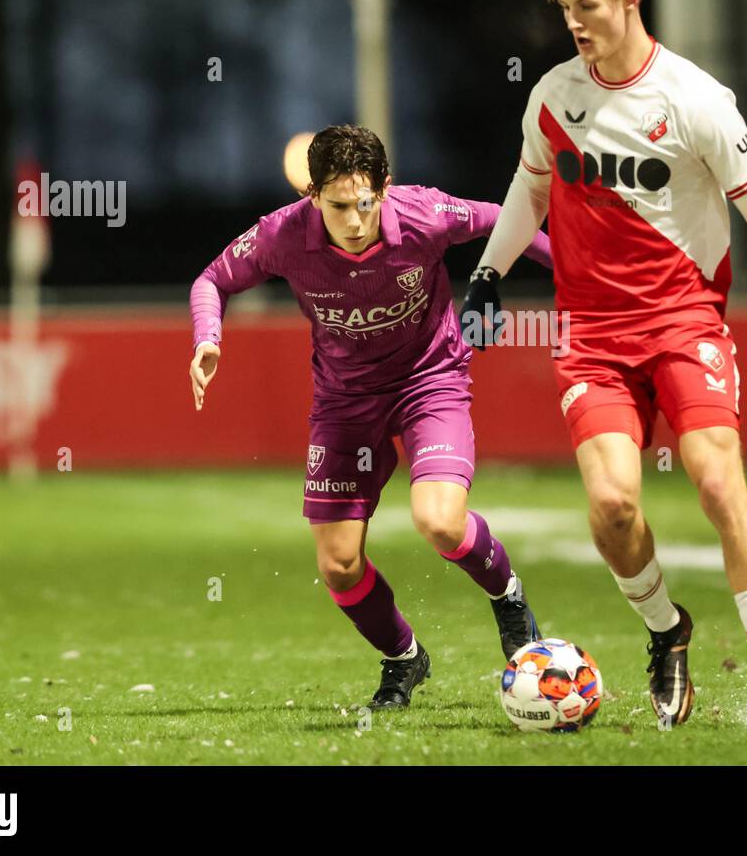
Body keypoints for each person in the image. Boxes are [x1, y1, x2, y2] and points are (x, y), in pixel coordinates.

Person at [460, 0, 747, 731]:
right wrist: (487, 274)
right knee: (614, 507)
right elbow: (531, 190)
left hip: (684, 317)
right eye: (563, 11)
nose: (575, 23)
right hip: (591, 332)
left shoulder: (695, 99)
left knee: (719, 480)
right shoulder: (554, 96)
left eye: (587, 6)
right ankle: (668, 630)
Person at [189, 124, 552, 708]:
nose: (355, 221)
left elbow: (507, 216)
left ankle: (507, 596)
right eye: (337, 206)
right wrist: (208, 338)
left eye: (365, 203)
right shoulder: (282, 235)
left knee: (438, 521)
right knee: (337, 564)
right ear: (313, 195)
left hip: (428, 382)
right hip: (344, 402)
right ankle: (404, 659)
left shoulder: (424, 214)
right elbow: (213, 279)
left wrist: (575, 274)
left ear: (384, 188)